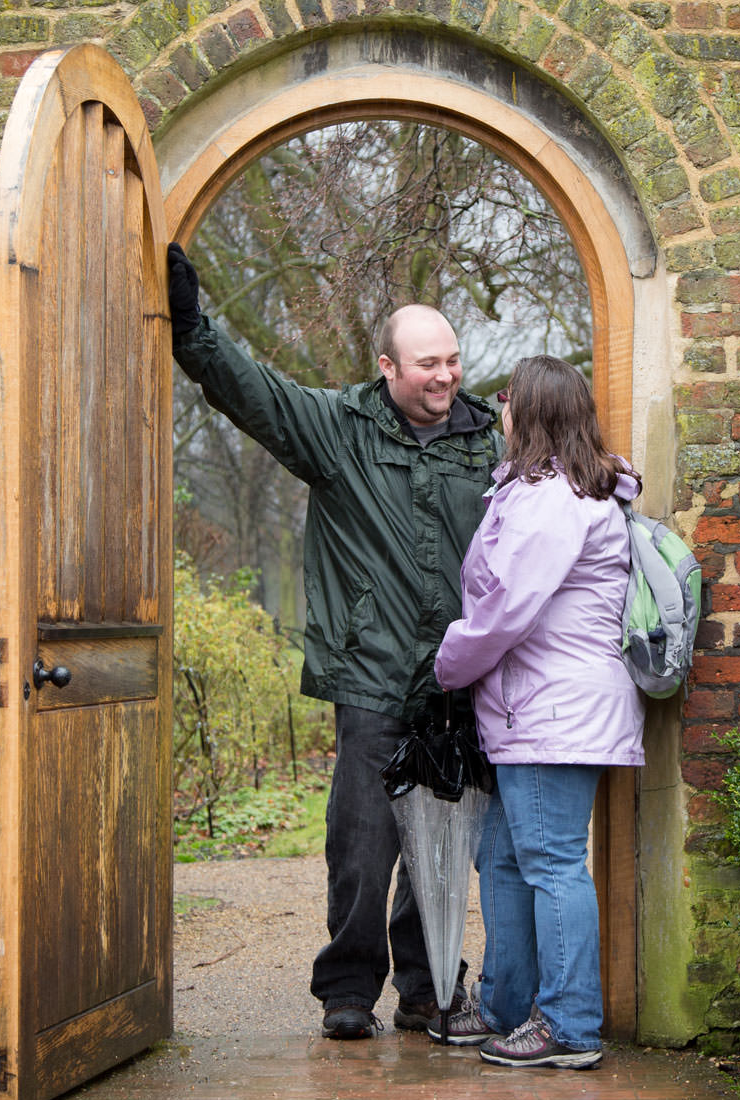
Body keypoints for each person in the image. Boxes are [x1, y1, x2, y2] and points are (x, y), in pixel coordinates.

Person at [165, 243, 501, 1040]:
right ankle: (348, 989)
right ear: (388, 367)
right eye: (427, 364)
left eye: (453, 361)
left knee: (443, 844)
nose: (445, 377)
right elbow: (254, 394)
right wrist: (190, 329)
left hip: (460, 680)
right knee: (362, 842)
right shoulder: (339, 432)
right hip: (371, 673)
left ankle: (428, 986)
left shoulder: (490, 443)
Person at [430, 354, 645, 1070]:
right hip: (537, 710)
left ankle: (570, 1025)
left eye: (508, 399)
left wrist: (445, 665)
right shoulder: (556, 490)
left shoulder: (552, 498)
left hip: (552, 710)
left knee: (551, 862)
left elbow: (503, 612)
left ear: (534, 413)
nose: (501, 411)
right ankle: (503, 1005)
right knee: (504, 858)